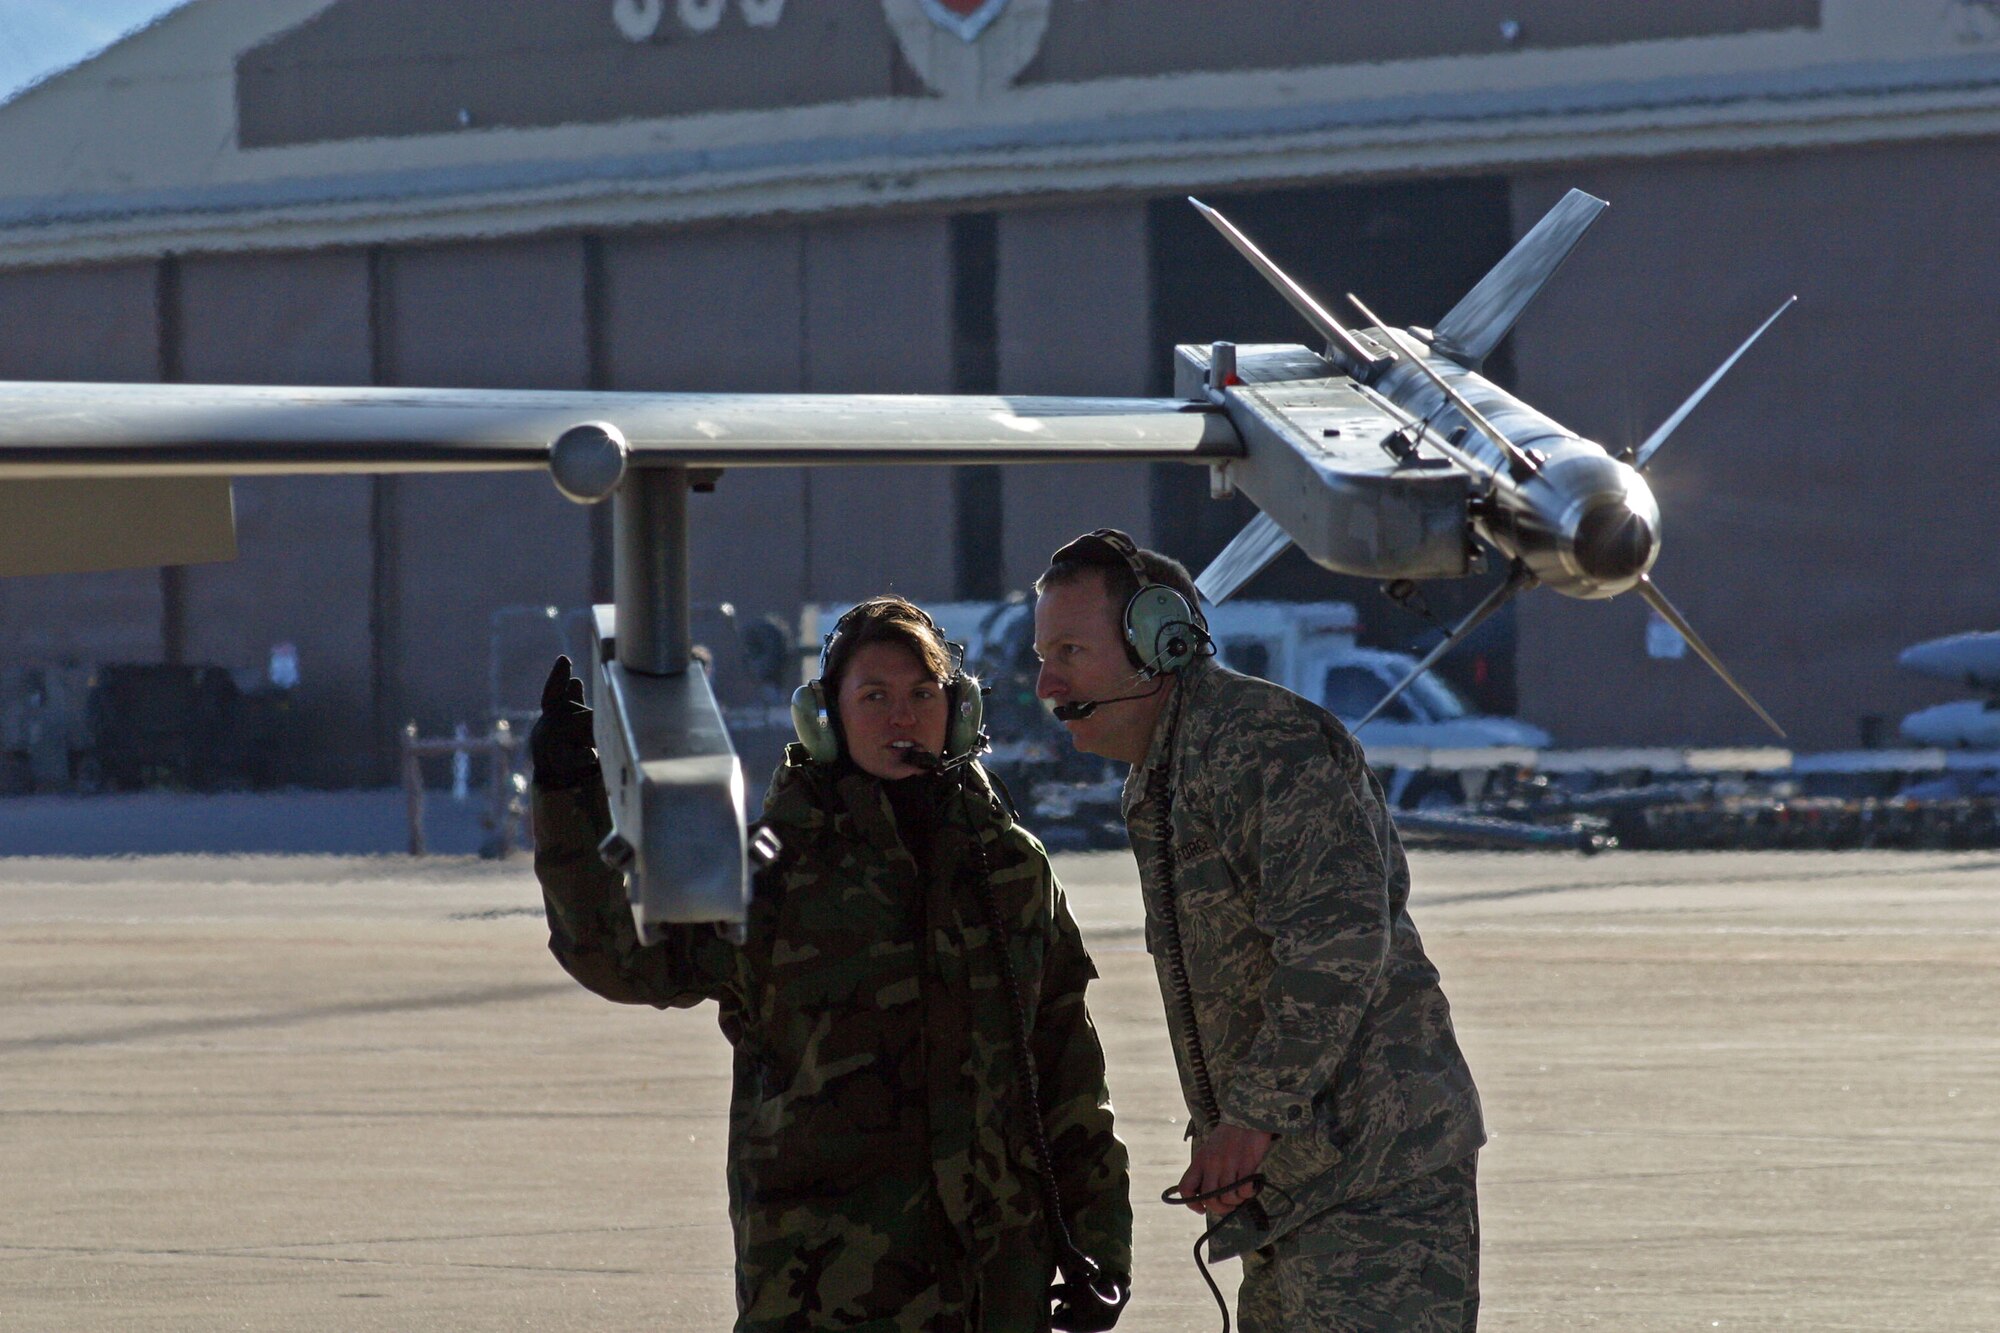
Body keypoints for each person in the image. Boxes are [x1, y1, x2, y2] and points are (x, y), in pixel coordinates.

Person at [531, 595, 1132, 1333]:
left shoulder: (1011, 867)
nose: (902, 717)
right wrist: (568, 793)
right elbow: (626, 961)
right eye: (874, 696)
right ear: (826, 718)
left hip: (995, 1288)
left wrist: (1101, 1244)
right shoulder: (774, 866)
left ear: (959, 710)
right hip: (823, 1292)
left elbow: (1069, 1071)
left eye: (923, 694)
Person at [1031, 530, 1485, 1332]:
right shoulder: (1162, 774)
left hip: (1375, 1179)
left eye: (1070, 650)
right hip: (1293, 1185)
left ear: (1160, 640)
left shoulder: (1264, 743)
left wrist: (1249, 1118)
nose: (1046, 683)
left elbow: (1335, 942)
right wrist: (1235, 1130)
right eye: (1043, 655)